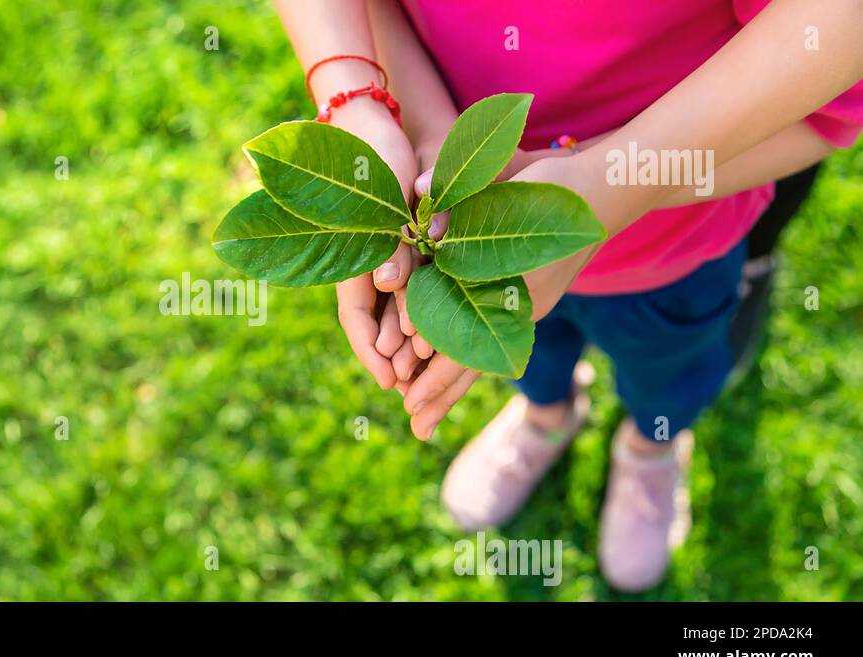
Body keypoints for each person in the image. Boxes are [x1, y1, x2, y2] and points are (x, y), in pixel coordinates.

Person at [273, 0, 863, 591]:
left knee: (666, 374)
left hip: (672, 249)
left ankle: (650, 447)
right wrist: (383, 111)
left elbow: (828, 81)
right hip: (485, 257)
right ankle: (546, 414)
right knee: (530, 355)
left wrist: (599, 186)